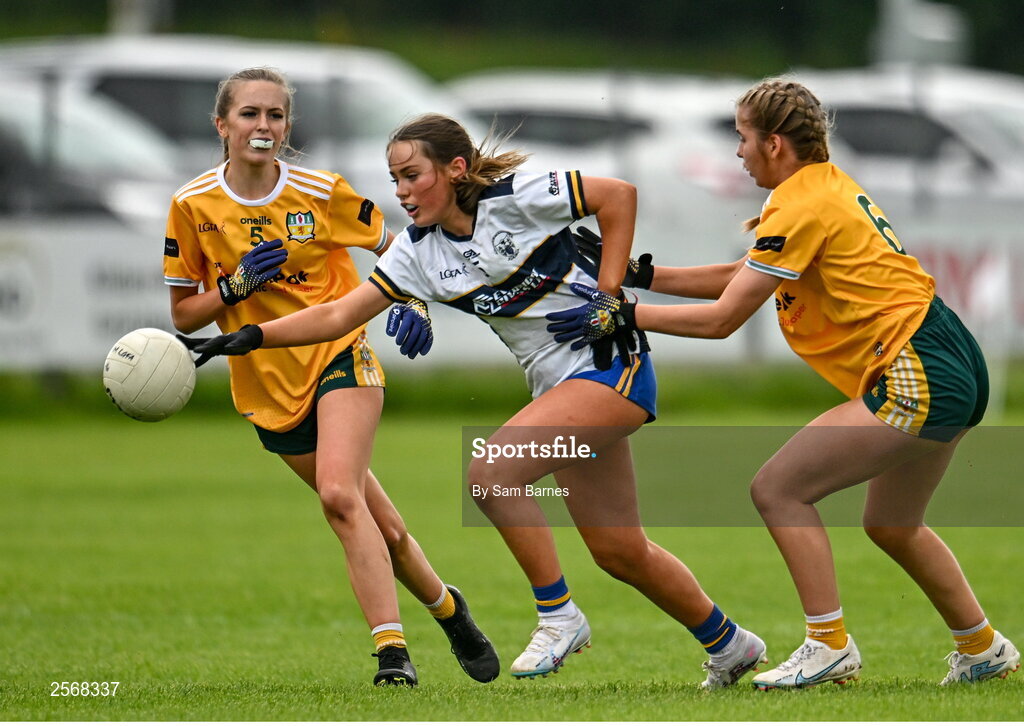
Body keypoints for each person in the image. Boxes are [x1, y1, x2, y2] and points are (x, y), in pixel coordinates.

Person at [179, 112, 768, 689]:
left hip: (609, 365)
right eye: (395, 181)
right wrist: (252, 334)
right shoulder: (417, 253)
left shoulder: (515, 198)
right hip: (558, 387)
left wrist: (610, 296)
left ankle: (558, 615)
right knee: (619, 550)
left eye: (413, 176)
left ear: (456, 169)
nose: (402, 193)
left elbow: (618, 196)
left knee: (492, 474)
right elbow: (338, 314)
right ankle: (730, 643)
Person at [549, 77, 1020, 688]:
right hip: (948, 354)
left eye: (742, 138)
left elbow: (724, 320)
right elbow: (743, 274)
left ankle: (828, 645)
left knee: (779, 490)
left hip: (917, 367)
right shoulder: (822, 187)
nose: (737, 153)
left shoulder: (799, 203)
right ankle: (982, 648)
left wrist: (625, 312)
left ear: (774, 142)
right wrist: (646, 276)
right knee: (893, 525)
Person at [164, 68, 499, 687]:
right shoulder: (192, 206)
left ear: (287, 127)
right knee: (385, 528)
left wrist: (413, 301)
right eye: (249, 115)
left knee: (339, 497)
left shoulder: (321, 191)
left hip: (340, 358)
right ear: (222, 125)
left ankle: (392, 655)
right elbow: (184, 312)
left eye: (275, 116)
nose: (263, 126)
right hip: (265, 386)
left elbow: (403, 249)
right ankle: (450, 610)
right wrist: (233, 289)